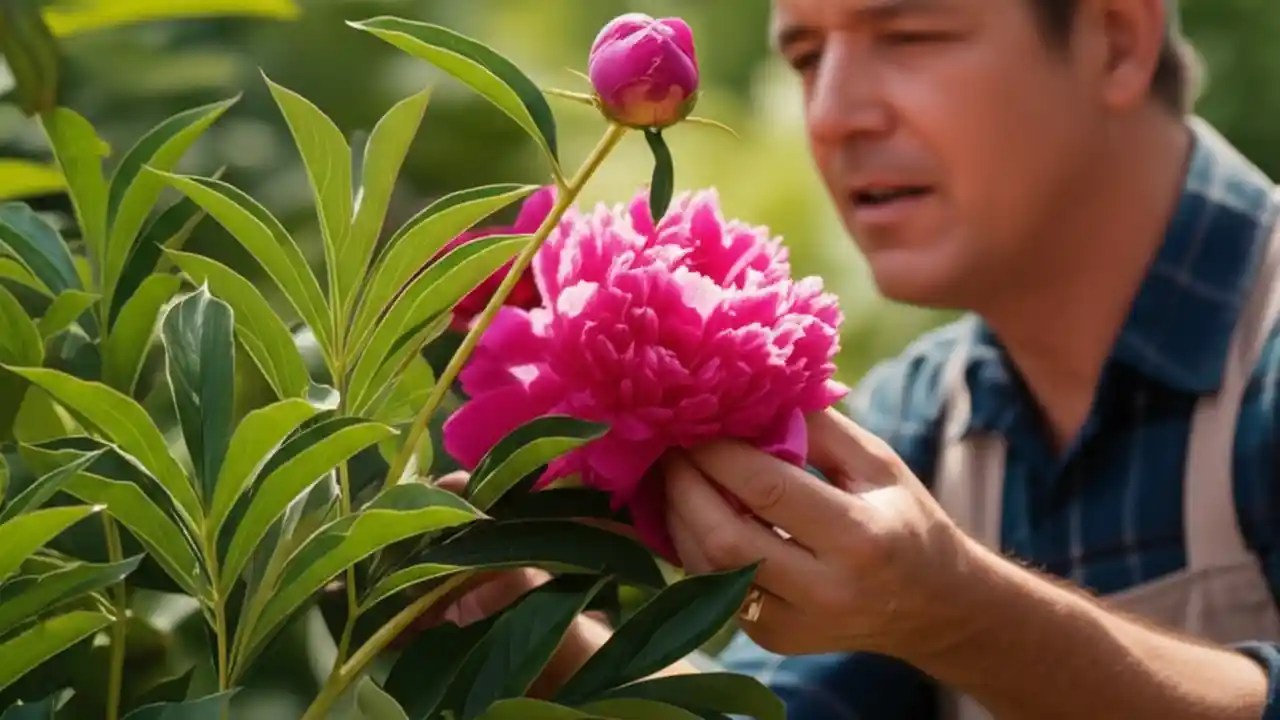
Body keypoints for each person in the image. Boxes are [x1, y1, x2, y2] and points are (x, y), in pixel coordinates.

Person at [440, 0, 1280, 717]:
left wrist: (961, 616)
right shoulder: (920, 416)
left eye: (908, 35)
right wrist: (517, 619)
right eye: (808, 57)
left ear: (1115, 40)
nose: (835, 112)